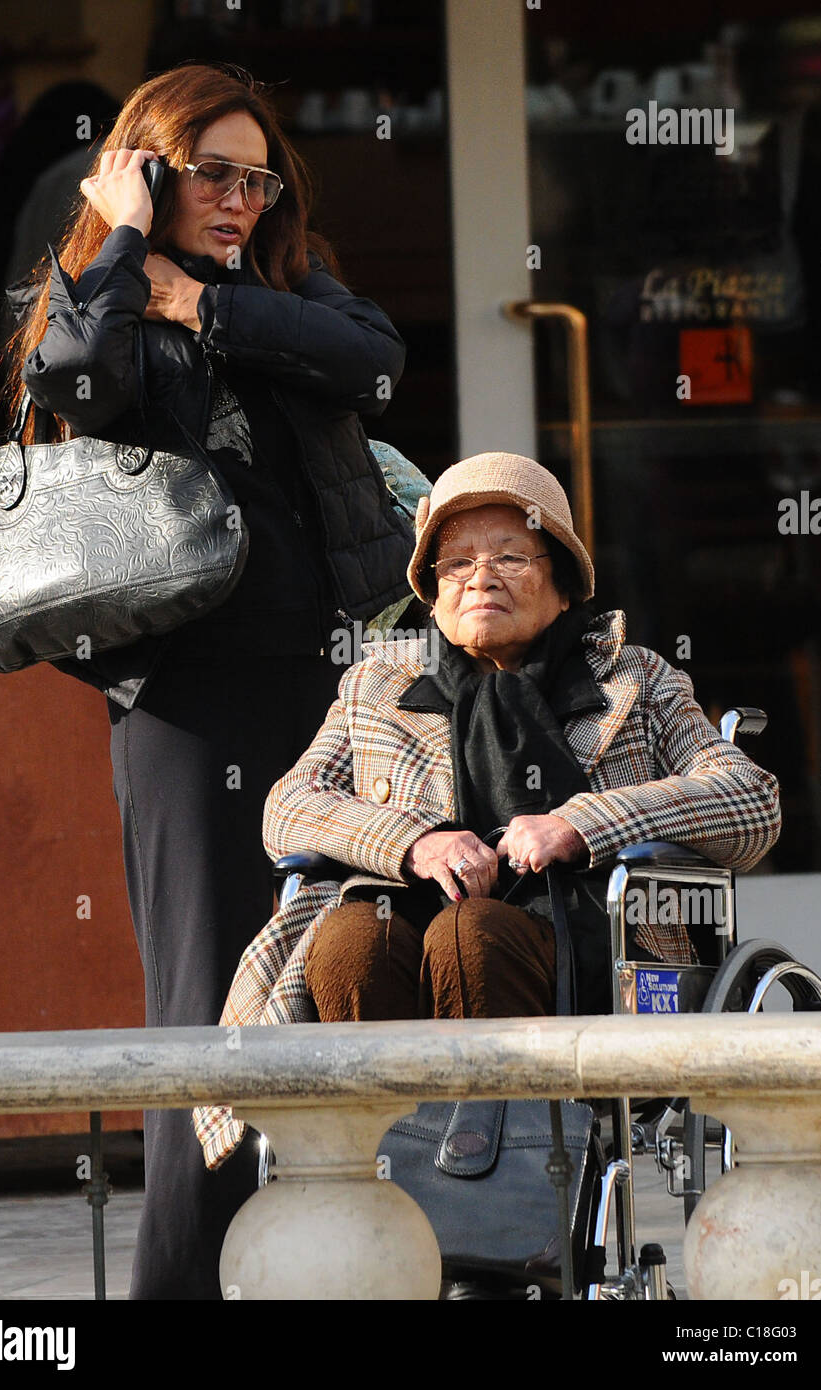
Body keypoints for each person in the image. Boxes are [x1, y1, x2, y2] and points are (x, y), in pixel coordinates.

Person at [1, 62, 413, 1299]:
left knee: (325, 979)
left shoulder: (284, 283)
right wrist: (127, 240)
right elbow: (71, 378)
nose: (238, 200)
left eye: (257, 179)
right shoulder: (100, 293)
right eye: (210, 175)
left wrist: (210, 306)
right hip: (189, 700)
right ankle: (176, 1288)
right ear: (146, 168)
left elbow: (372, 361)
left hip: (326, 683)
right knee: (208, 1006)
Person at [195, 451, 781, 1173]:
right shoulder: (376, 684)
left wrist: (584, 823)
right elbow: (288, 808)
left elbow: (750, 799)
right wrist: (415, 844)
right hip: (406, 944)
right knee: (350, 939)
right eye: (456, 564)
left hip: (590, 953)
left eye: (510, 556)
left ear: (563, 585)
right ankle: (381, 1168)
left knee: (471, 934)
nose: (480, 577)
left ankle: (496, 1179)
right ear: (432, 593)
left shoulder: (634, 677)